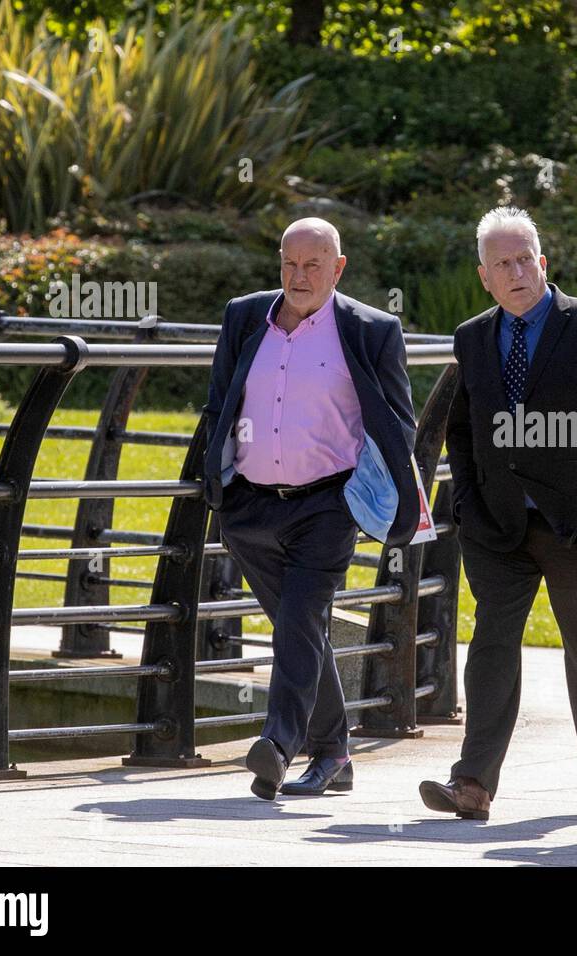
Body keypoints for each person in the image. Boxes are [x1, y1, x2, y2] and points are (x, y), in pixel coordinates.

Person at [417, 207, 577, 820]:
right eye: (501, 265)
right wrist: (468, 501)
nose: (516, 272)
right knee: (490, 646)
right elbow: (462, 430)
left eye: (524, 260)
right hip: (496, 527)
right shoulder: (471, 337)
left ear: (543, 262)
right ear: (484, 276)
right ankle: (474, 784)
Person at [202, 217, 418, 800]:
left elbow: (399, 423)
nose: (299, 276)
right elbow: (219, 400)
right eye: (289, 263)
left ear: (338, 269)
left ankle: (277, 744)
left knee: (299, 622)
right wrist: (214, 485)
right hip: (249, 506)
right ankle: (335, 753)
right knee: (302, 632)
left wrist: (394, 498)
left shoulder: (371, 330)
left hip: (326, 504)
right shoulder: (245, 316)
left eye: (313, 265)